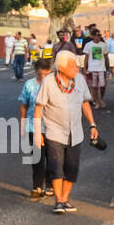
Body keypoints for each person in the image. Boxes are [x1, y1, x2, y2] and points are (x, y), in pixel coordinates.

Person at [33, 50, 98, 214]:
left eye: (76, 64)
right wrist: (38, 132)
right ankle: (59, 201)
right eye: (72, 65)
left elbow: (85, 104)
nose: (76, 68)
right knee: (56, 165)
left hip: (75, 132)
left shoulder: (80, 80)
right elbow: (39, 108)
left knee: (72, 167)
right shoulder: (48, 81)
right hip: (54, 131)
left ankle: (65, 199)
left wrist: (92, 125)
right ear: (61, 68)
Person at [19, 57, 53, 199]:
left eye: (46, 74)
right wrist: (22, 125)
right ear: (35, 72)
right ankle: (37, 186)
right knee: (37, 158)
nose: (43, 77)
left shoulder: (55, 84)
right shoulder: (29, 85)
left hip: (52, 127)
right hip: (34, 127)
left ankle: (50, 184)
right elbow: (24, 106)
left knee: (52, 157)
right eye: (40, 74)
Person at [85, 28, 108, 110]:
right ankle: (97, 102)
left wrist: (107, 67)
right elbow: (86, 57)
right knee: (94, 86)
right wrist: (85, 68)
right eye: (98, 35)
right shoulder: (88, 45)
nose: (99, 37)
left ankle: (101, 99)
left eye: (100, 35)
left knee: (103, 85)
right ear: (93, 36)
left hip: (102, 68)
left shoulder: (104, 45)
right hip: (92, 69)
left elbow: (106, 57)